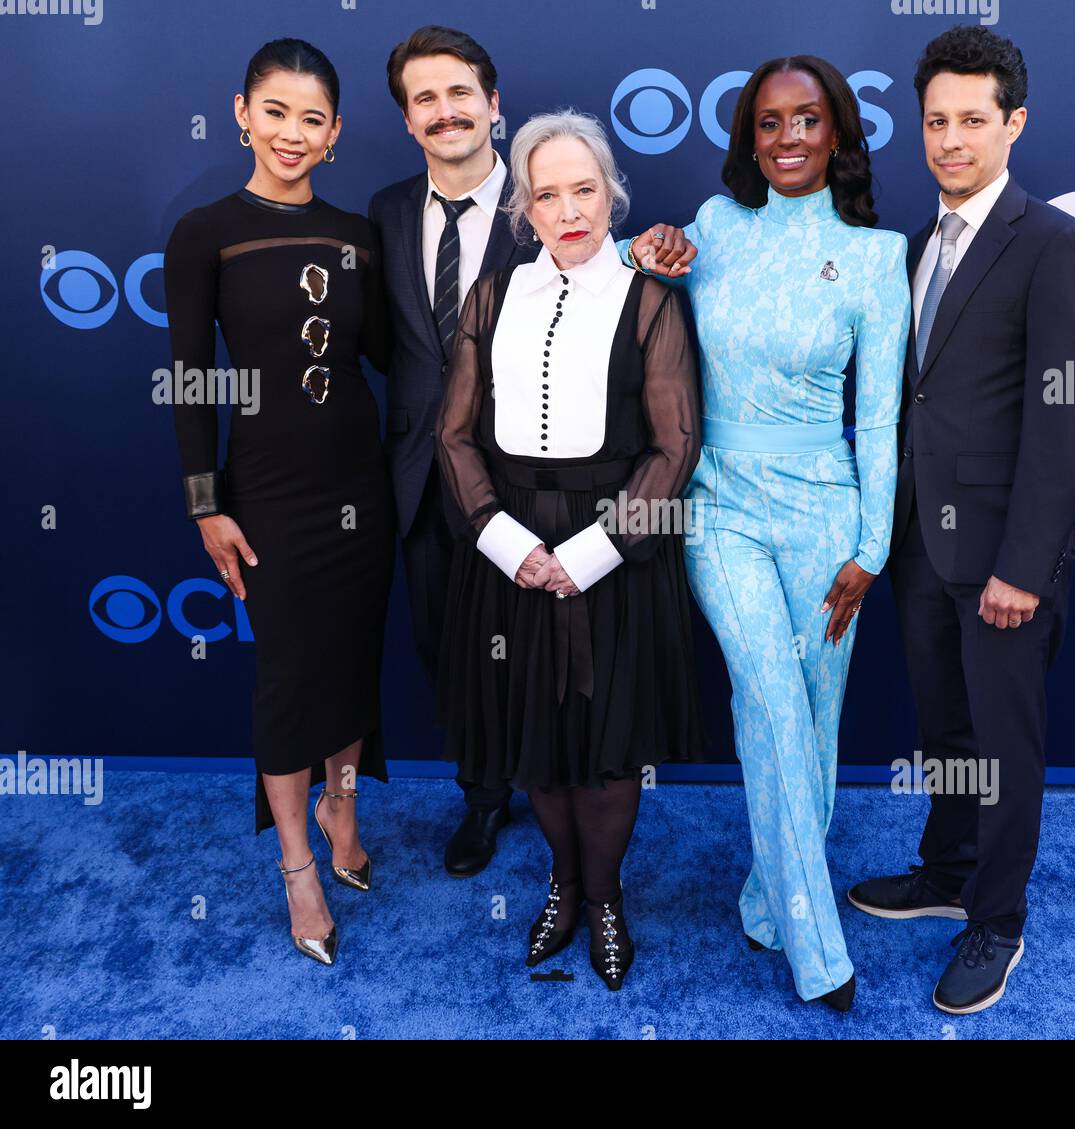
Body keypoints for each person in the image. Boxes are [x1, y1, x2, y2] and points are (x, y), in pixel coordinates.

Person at [622, 57, 910, 1011]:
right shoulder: (714, 227)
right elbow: (621, 284)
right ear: (749, 136)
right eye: (769, 123)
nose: (788, 139)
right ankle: (817, 943)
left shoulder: (876, 256)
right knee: (774, 698)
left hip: (827, 513)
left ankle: (764, 892)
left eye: (808, 121)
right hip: (720, 505)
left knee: (808, 720)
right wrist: (637, 253)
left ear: (838, 133)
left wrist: (872, 546)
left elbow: (878, 419)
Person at [845, 26, 1075, 1015]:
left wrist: (1025, 564)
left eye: (971, 120)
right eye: (935, 121)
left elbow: (1067, 412)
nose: (950, 139)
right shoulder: (924, 242)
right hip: (921, 542)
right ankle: (948, 867)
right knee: (945, 725)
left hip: (1002, 557)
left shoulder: (1053, 243)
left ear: (1015, 124)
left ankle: (996, 922)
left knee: (1002, 744)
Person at [435, 109, 704, 990]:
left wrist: (590, 554)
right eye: (546, 193)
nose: (567, 208)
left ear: (611, 193)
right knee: (537, 736)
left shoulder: (651, 296)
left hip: (615, 548)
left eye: (583, 189)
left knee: (608, 742)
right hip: (509, 550)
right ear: (525, 205)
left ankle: (607, 896)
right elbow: (455, 434)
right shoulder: (491, 294)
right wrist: (507, 543)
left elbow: (676, 446)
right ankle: (563, 882)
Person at [164, 39, 396, 966]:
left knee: (348, 660)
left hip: (361, 485)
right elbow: (189, 377)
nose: (292, 133)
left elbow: (393, 350)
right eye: (275, 112)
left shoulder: (357, 234)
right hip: (265, 495)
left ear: (335, 132)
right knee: (289, 675)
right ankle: (298, 865)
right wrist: (203, 503)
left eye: (312, 119)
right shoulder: (203, 231)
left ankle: (344, 807)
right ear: (242, 113)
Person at [368, 26, 536, 878]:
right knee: (447, 647)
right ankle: (483, 793)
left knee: (544, 643)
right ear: (406, 119)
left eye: (459, 92)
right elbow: (385, 343)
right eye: (424, 98)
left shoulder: (548, 206)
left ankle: (557, 787)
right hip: (420, 480)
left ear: (493, 104)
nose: (445, 111)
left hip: (531, 479)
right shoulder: (389, 212)